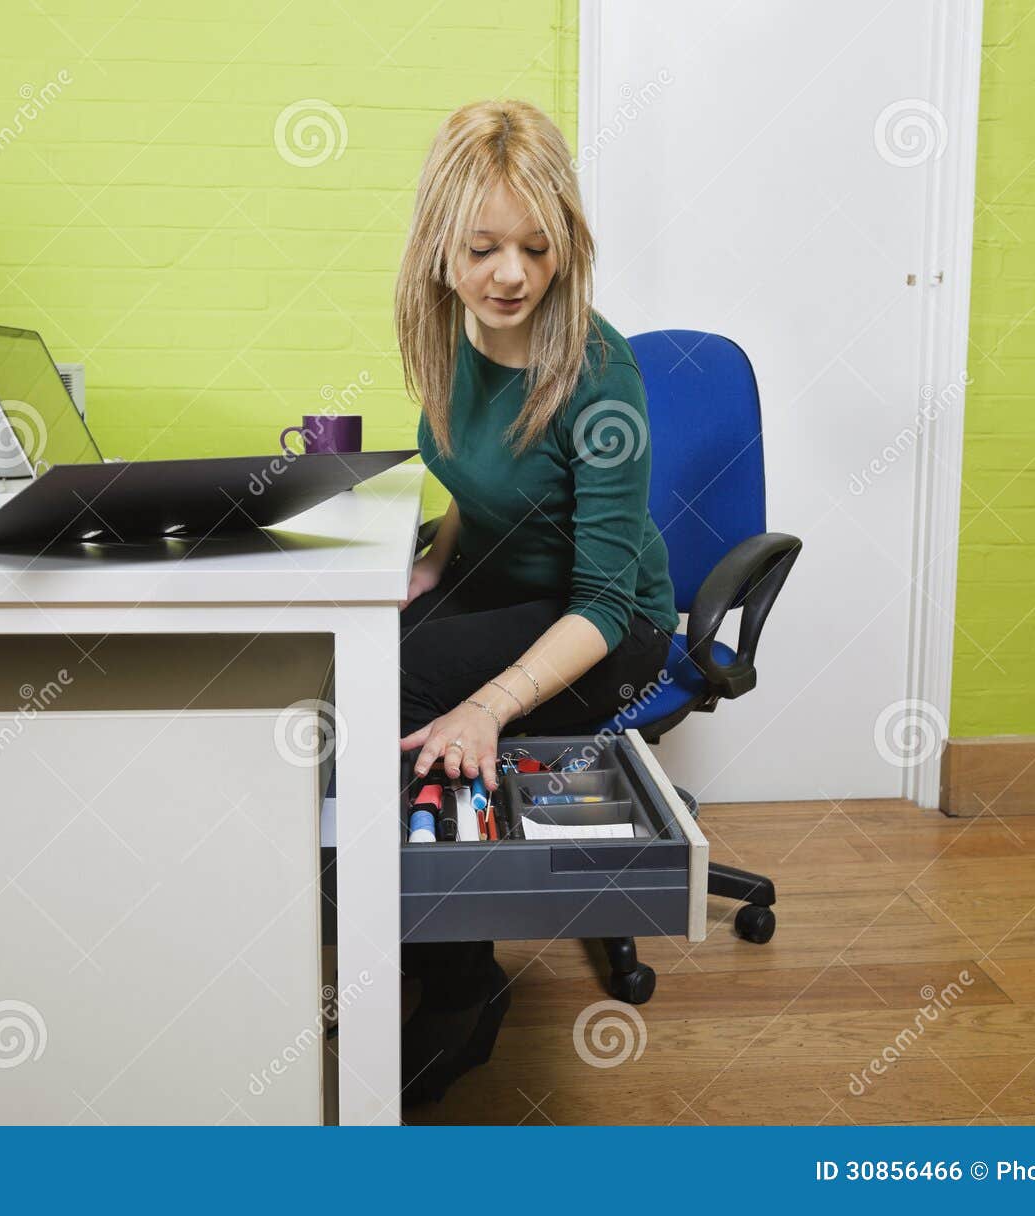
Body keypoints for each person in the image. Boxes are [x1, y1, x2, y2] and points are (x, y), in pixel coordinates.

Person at [393, 98, 680, 1105]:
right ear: (439, 246)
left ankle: (464, 989)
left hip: (606, 627)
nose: (509, 274)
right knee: (355, 659)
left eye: (534, 246)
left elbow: (602, 603)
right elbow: (486, 478)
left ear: (566, 241)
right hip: (498, 588)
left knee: (407, 702)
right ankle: (411, 931)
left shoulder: (599, 379)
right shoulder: (442, 333)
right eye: (480, 248)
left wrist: (486, 704)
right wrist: (434, 557)